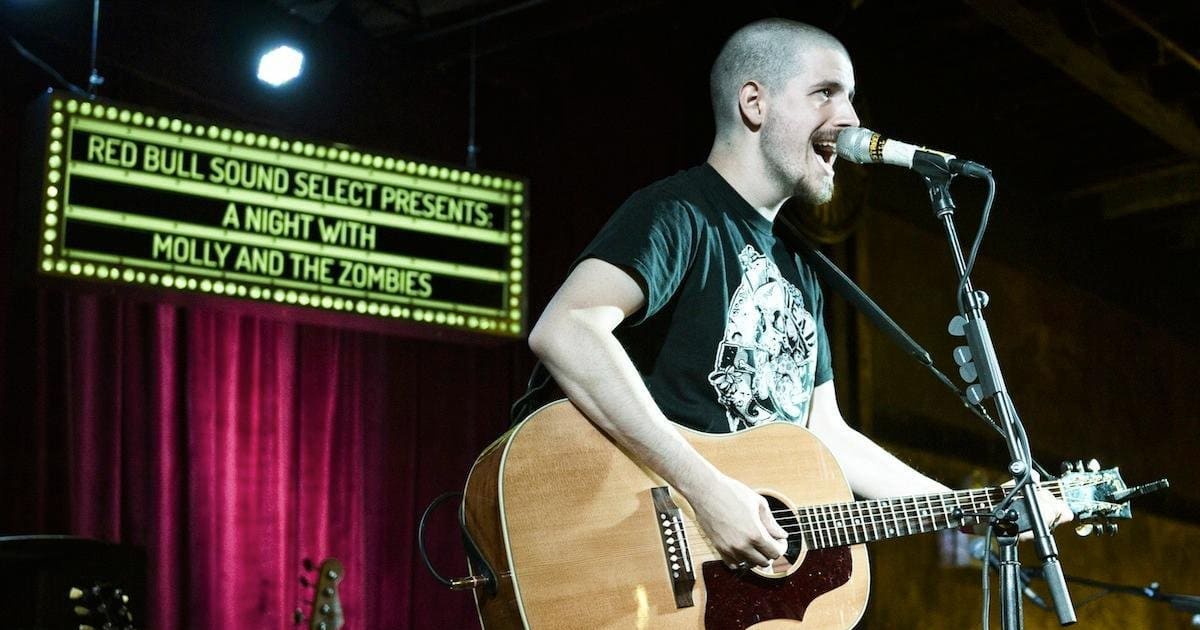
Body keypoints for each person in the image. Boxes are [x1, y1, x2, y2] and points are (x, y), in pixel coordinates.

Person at [524, 18, 1066, 572]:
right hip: (620, 549)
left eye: (850, 97)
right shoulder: (678, 215)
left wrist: (970, 509)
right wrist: (704, 488)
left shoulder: (801, 269)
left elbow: (826, 435)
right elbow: (566, 329)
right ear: (754, 104)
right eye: (825, 93)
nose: (850, 118)